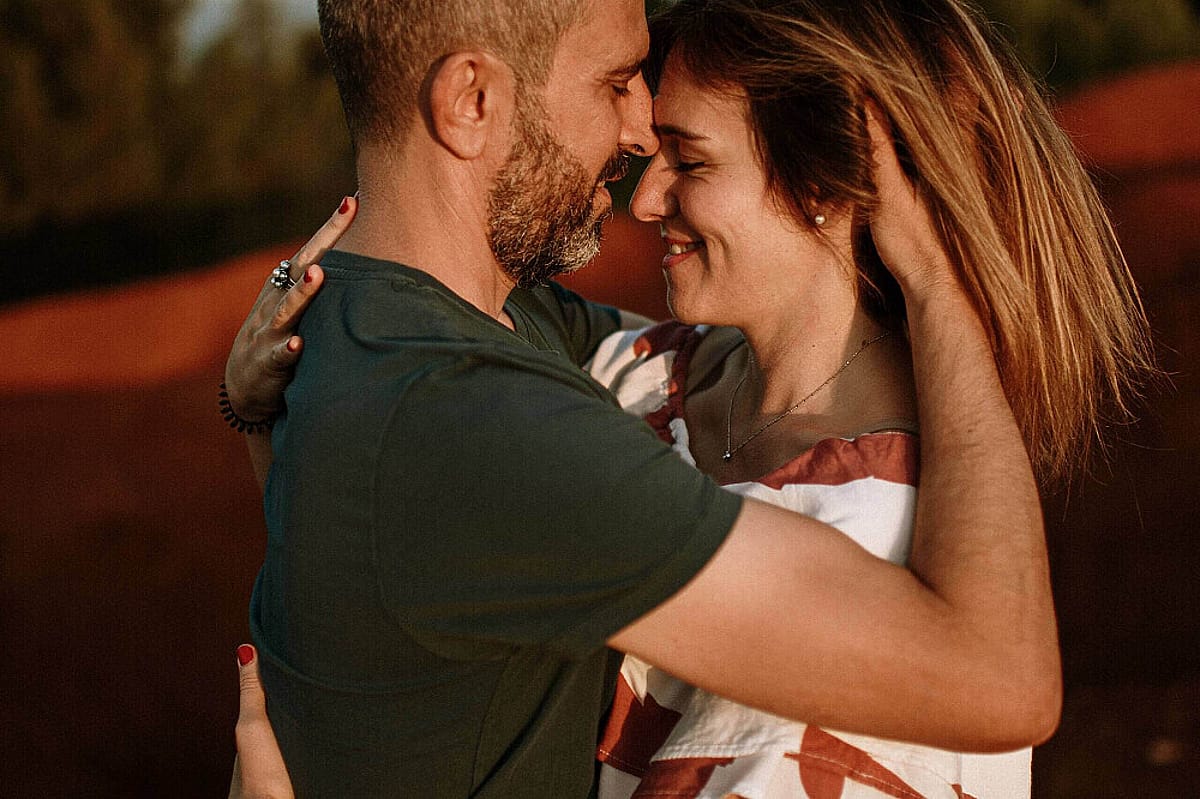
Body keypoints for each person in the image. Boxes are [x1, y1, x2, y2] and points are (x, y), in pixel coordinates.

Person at [218, 0, 1081, 795]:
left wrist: (937, 281)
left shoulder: (432, 334)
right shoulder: (545, 391)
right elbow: (430, 467)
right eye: (614, 84)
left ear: (831, 187)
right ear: (469, 100)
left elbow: (1003, 683)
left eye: (690, 157)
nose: (643, 174)